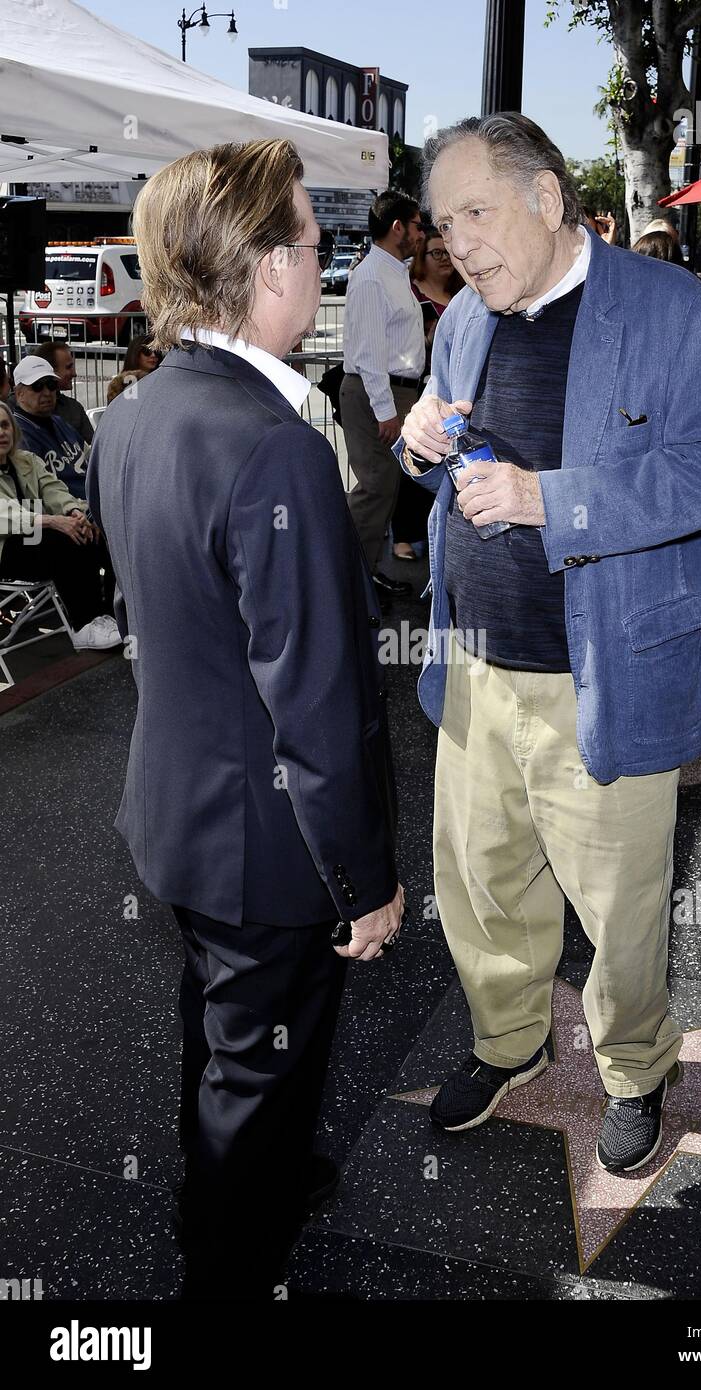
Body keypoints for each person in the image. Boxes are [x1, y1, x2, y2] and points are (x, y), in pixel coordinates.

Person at [397, 113, 701, 1173]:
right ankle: (506, 1041)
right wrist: (423, 440)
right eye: (441, 223)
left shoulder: (670, 309)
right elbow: (459, 462)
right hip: (475, 664)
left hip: (602, 673)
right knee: (481, 882)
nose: (454, 243)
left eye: (474, 213)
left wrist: (553, 500)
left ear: (547, 199)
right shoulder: (464, 316)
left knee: (620, 908)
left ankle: (634, 1068)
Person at [86, 137, 404, 1299]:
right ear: (265, 266)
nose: (324, 269)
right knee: (257, 1061)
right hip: (266, 843)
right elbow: (316, 699)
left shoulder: (132, 413)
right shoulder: (276, 444)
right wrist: (363, 881)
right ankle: (227, 1255)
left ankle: (232, 1189)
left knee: (225, 1039)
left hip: (176, 814)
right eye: (317, 247)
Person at [340, 189, 426, 605]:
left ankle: (363, 575)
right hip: (378, 392)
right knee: (376, 487)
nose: (421, 233)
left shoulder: (390, 269)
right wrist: (386, 410)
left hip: (391, 392)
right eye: (416, 225)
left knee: (385, 488)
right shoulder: (374, 274)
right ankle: (346, 581)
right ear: (397, 228)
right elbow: (371, 353)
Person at [0, 400, 121, 649]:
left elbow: (53, 489)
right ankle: (83, 625)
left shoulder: (25, 460)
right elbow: (4, 514)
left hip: (33, 537)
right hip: (5, 549)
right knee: (63, 541)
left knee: (93, 532)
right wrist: (51, 521)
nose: (2, 433)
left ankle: (110, 612)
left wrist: (74, 511)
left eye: (4, 425)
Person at [391, 228, 464, 562]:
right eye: (436, 253)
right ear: (422, 259)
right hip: (419, 387)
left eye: (447, 252)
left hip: (453, 389)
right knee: (416, 457)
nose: (444, 259)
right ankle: (403, 536)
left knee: (448, 461)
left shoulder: (465, 293)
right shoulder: (411, 293)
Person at [12, 356, 90, 504]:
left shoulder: (58, 421)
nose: (47, 392)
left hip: (94, 502)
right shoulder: (17, 435)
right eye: (37, 386)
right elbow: (37, 497)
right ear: (19, 394)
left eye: (51, 385)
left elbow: (90, 457)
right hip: (69, 514)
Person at [33, 340, 94, 443]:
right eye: (68, 367)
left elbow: (93, 450)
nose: (74, 373)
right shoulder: (15, 411)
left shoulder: (74, 408)